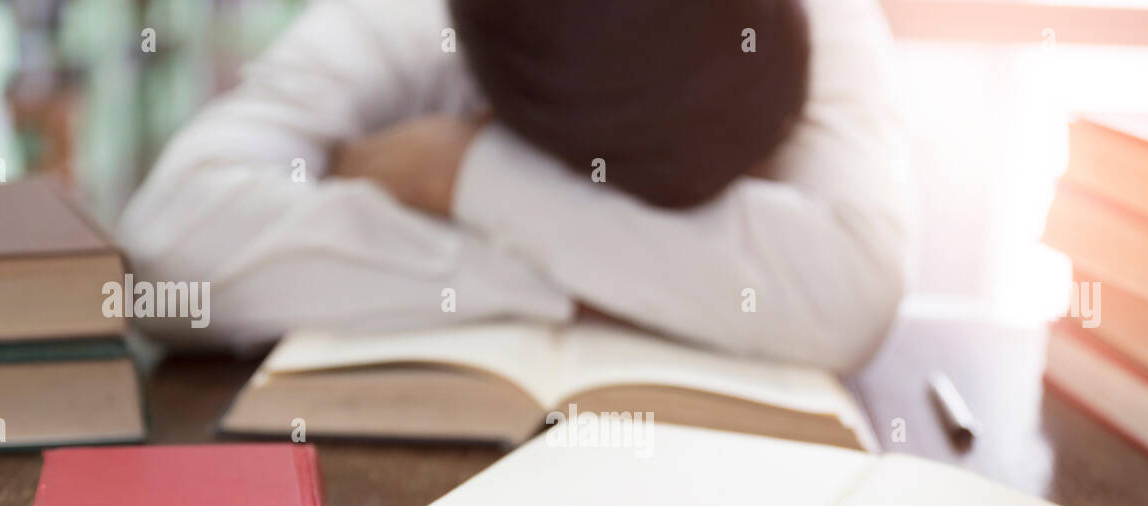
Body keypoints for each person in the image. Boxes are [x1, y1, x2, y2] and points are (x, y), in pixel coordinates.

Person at [119, 0, 909, 371]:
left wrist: (457, 173)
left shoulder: (809, 21)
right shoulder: (411, 26)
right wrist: (615, 274)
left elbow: (847, 293)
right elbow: (168, 253)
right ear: (494, 100)